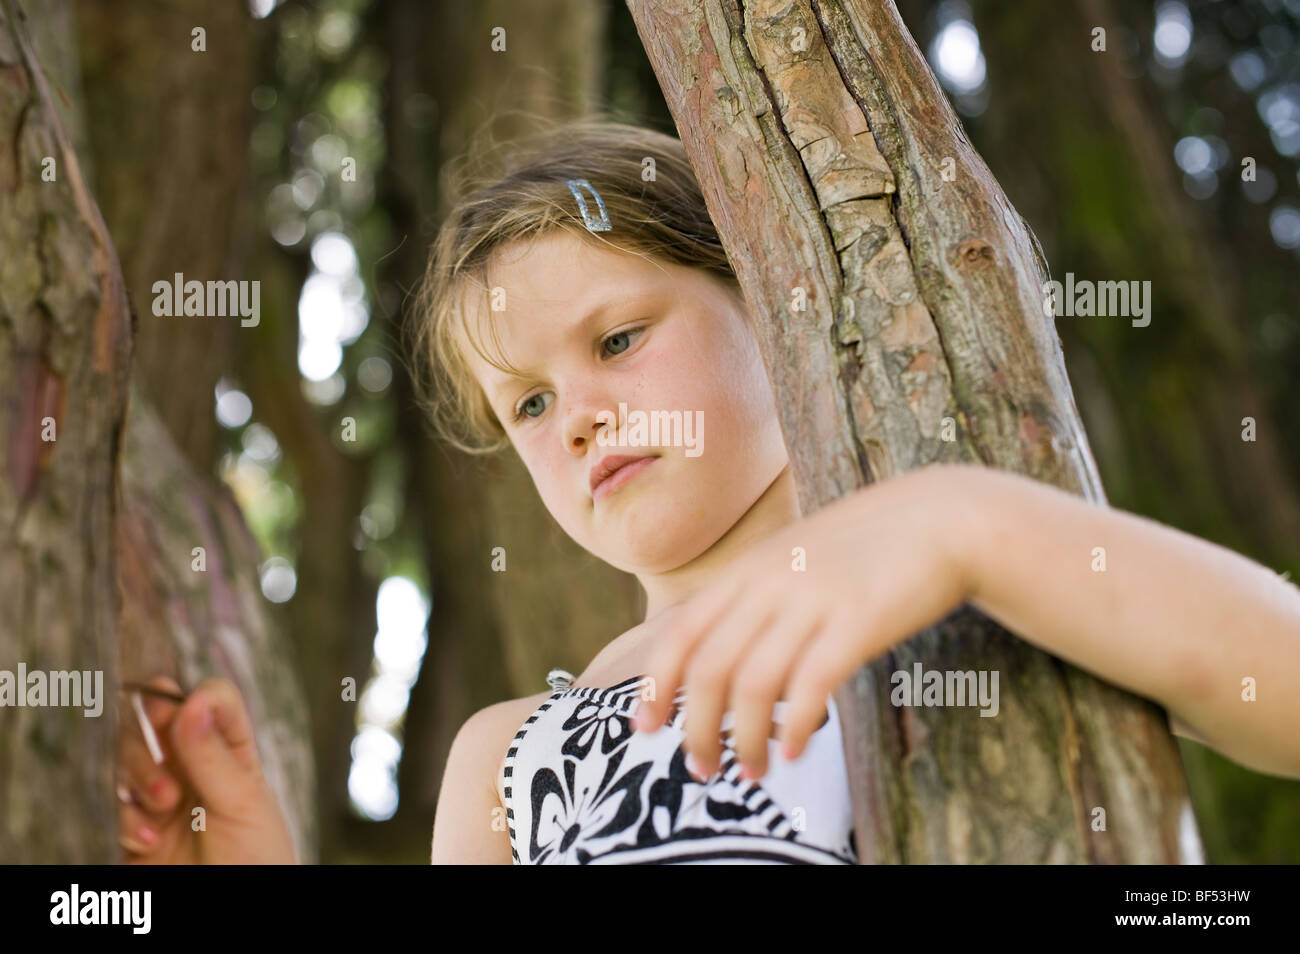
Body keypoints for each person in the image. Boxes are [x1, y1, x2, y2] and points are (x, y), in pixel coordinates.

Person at [117, 119, 1300, 866]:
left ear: (770, 305)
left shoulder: (969, 587)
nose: (574, 413)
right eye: (525, 404)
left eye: (619, 338)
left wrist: (959, 523)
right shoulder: (509, 756)